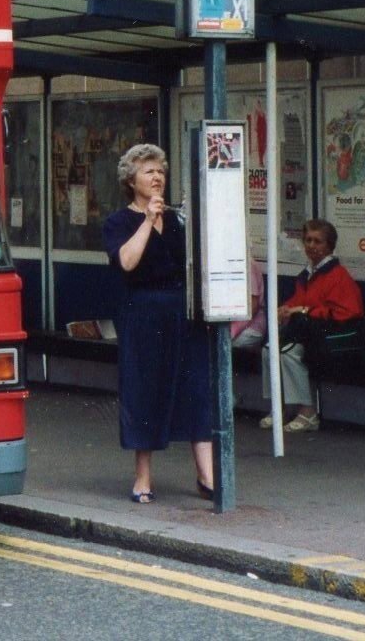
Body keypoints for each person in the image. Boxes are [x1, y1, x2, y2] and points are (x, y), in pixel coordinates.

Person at [101, 143, 215, 504]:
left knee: (196, 391)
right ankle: (143, 479)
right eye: (148, 171)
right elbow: (127, 262)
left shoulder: (179, 219)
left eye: (160, 171)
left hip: (182, 313)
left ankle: (207, 476)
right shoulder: (119, 222)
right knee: (144, 391)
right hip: (143, 316)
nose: (157, 177)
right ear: (130, 180)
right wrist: (149, 220)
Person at [255, 218, 364, 433]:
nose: (312, 246)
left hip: (331, 337)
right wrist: (286, 309)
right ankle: (280, 406)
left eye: (318, 242)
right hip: (311, 333)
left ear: (329, 246)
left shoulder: (338, 276)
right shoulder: (307, 274)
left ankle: (307, 411)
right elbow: (298, 301)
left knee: (288, 352)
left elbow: (348, 312)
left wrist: (305, 311)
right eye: (308, 241)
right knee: (268, 350)